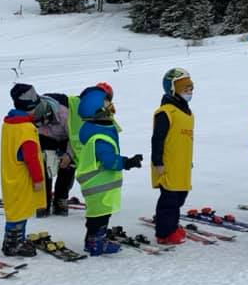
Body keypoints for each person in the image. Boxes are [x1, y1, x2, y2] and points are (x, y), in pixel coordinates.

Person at [75, 86, 142, 255]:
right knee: (100, 217)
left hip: (97, 186)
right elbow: (109, 160)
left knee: (96, 216)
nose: (112, 110)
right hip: (99, 187)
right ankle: (97, 243)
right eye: (109, 107)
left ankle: (92, 240)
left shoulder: (96, 130)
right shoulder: (100, 138)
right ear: (99, 112)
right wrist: (128, 162)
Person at [1, 83, 46, 257]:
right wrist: (38, 179)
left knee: (18, 208)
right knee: (19, 212)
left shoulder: (9, 124)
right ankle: (13, 244)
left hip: (10, 174)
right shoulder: (26, 129)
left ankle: (15, 240)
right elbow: (31, 158)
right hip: (22, 177)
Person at [151, 68, 195, 245]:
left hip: (182, 165)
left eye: (191, 88)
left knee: (180, 197)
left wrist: (188, 162)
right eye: (185, 88)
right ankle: (164, 232)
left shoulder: (188, 113)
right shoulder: (166, 112)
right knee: (169, 199)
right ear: (172, 89)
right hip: (167, 165)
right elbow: (157, 139)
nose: (189, 92)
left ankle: (172, 225)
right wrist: (158, 161)